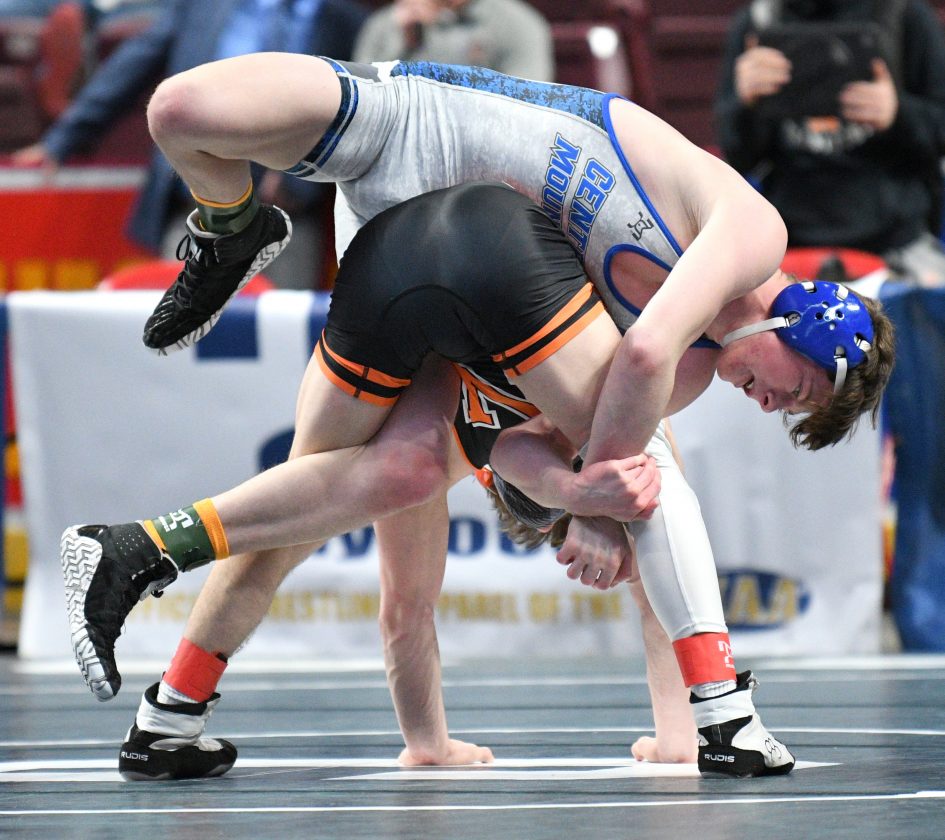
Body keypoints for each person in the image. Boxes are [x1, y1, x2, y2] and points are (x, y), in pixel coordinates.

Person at [64, 180, 892, 783]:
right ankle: (721, 714)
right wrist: (673, 727)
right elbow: (618, 543)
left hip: (414, 249)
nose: (769, 404)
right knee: (629, 486)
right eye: (790, 391)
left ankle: (164, 683)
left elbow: (410, 606)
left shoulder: (463, 439)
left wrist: (430, 745)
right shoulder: (616, 393)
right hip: (472, 251)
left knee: (318, 509)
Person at [11, 0, 368, 290]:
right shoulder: (201, 5)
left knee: (280, 338)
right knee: (183, 337)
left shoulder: (344, 18)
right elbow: (132, 65)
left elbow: (358, 108)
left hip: (286, 216)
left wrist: (300, 179)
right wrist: (61, 140)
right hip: (198, 208)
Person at [715, 0, 945, 288]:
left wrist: (898, 113)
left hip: (896, 245)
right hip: (790, 245)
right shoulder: (760, 20)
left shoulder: (906, 15)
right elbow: (738, 156)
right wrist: (745, 104)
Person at [352, 0, 554, 82]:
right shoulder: (387, 23)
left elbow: (529, 100)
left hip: (482, 144)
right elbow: (360, 97)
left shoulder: (518, 23)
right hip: (398, 142)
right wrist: (403, 43)